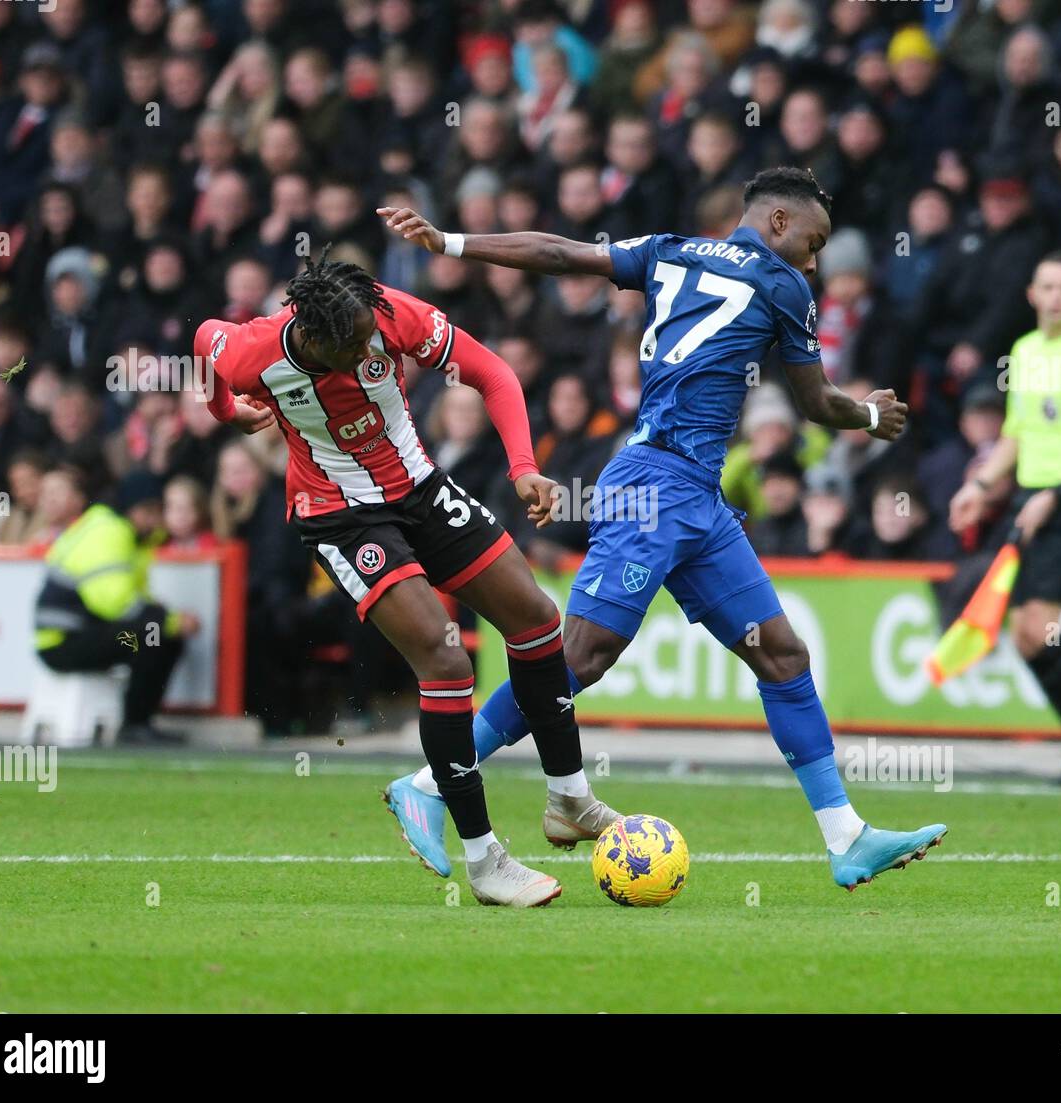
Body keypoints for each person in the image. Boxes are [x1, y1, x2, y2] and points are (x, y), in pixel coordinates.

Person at [381, 166, 948, 893]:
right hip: (657, 486)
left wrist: (451, 240)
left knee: (781, 653)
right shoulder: (784, 286)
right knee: (578, 655)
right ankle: (431, 780)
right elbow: (817, 403)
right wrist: (873, 416)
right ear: (778, 224)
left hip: (692, 496)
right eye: (813, 241)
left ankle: (847, 837)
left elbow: (561, 254)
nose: (814, 259)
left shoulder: (670, 249)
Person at [193, 249, 618, 907]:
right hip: (340, 515)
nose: (376, 349)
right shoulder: (256, 352)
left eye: (374, 336)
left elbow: (493, 373)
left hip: (419, 487)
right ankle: (484, 860)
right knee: (446, 660)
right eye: (360, 345)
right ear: (319, 342)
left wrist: (524, 466)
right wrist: (226, 410)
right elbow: (204, 339)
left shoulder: (391, 313)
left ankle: (568, 794)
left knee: (536, 619)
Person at [949, 252, 1061, 785]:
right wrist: (979, 486)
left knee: (1041, 628)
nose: (1055, 297)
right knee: (1026, 635)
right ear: (1032, 293)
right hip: (1032, 495)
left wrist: (1053, 493)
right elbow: (1015, 434)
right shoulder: (1025, 353)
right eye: (1046, 286)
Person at [32, 467, 199, 746]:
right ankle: (135, 725)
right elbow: (118, 605)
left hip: (64, 636)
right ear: (137, 510)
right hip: (63, 641)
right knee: (154, 637)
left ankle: (137, 722)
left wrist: (165, 619)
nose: (160, 520)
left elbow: (133, 600)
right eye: (155, 511)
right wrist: (171, 622)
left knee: (157, 634)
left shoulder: (113, 530)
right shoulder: (111, 532)